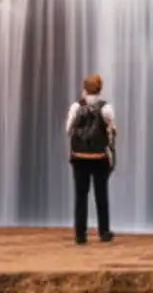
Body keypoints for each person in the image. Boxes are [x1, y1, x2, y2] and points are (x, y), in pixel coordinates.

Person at [66, 73, 115, 245]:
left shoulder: (76, 107)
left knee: (81, 196)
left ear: (84, 89)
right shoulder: (106, 108)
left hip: (79, 157)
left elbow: (68, 130)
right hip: (99, 157)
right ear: (100, 89)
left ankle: (80, 234)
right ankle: (104, 232)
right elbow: (110, 131)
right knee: (101, 195)